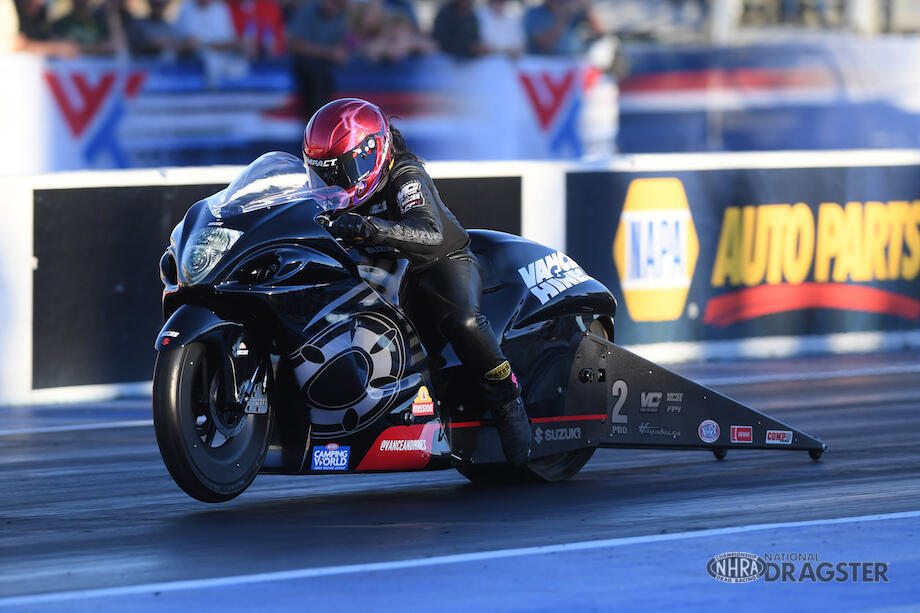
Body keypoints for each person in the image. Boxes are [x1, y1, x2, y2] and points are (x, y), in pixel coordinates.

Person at [303, 98, 531, 465]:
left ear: (371, 153)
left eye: (341, 170)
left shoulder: (405, 176)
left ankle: (507, 398)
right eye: (323, 173)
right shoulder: (332, 196)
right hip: (383, 271)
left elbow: (430, 231)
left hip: (438, 263)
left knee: (464, 321)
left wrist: (370, 227)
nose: (333, 182)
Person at [287, 0, 348, 118]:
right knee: (315, 73)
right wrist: (328, 53)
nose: (334, 7)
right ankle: (317, 121)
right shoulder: (307, 12)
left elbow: (347, 46)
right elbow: (295, 45)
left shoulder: (343, 17)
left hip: (329, 68)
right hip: (307, 65)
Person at [524, 0, 602, 56]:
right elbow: (545, 44)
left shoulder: (576, 12)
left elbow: (599, 32)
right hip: (544, 66)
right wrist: (563, 15)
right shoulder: (534, 13)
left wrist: (587, 9)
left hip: (574, 65)